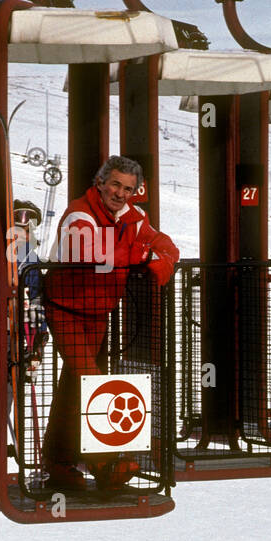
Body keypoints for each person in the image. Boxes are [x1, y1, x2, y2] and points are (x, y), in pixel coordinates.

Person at [40, 156, 179, 493]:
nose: (120, 193)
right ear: (100, 182)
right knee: (90, 379)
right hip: (66, 309)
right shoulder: (79, 214)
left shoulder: (134, 216)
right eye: (115, 184)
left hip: (99, 312)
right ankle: (106, 463)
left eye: (128, 188)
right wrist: (143, 255)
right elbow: (94, 256)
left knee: (75, 385)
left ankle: (59, 461)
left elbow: (167, 247)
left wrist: (153, 257)